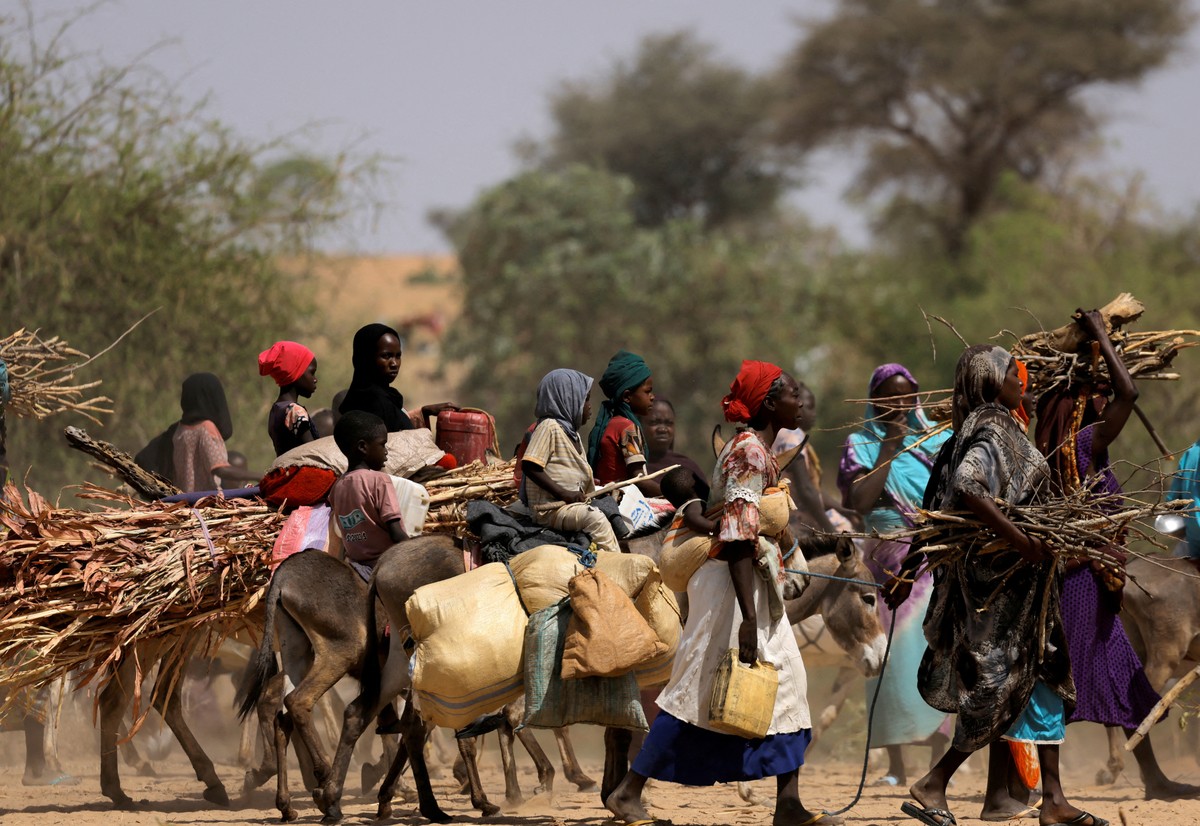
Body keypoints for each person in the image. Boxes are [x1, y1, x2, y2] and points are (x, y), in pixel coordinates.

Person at [607, 360, 838, 826]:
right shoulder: (750, 453)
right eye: (791, 392)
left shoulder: (759, 451)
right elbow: (735, 535)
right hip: (730, 584)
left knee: (789, 682)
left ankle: (788, 803)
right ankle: (628, 791)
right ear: (770, 404)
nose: (799, 399)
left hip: (747, 580)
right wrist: (748, 618)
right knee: (695, 684)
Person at [887, 344, 1098, 826]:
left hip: (1024, 589)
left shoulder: (980, 427)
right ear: (988, 380)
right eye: (1010, 371)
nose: (1019, 378)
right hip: (1000, 590)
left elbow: (932, 510)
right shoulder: (991, 427)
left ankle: (1054, 801)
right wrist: (1023, 542)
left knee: (1042, 675)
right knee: (998, 687)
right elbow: (965, 487)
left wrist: (910, 570)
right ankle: (934, 781)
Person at [1034, 309, 1200, 801]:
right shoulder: (1086, 441)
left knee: (1119, 680)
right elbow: (1131, 393)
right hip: (1086, 575)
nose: (1108, 403)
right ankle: (1028, 787)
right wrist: (1105, 338)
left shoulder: (1057, 447)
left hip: (1101, 572)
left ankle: (1151, 778)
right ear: (1082, 411)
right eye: (1097, 399)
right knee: (1065, 684)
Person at [837, 364, 951, 787]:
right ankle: (896, 765)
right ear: (874, 401)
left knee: (933, 651)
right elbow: (861, 500)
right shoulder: (860, 444)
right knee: (891, 657)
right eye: (889, 397)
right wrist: (889, 444)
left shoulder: (936, 440)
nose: (899, 404)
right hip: (883, 564)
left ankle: (940, 761)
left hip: (931, 558)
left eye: (906, 396)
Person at [521, 368, 620, 554]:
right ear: (567, 399)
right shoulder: (549, 427)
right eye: (586, 399)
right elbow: (530, 465)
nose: (590, 406)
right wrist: (564, 493)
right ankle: (616, 567)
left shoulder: (572, 434)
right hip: (550, 510)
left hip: (568, 505)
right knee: (595, 519)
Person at [326, 410, 408, 582]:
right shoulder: (379, 481)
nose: (386, 451)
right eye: (382, 444)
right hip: (387, 566)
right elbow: (395, 533)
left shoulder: (337, 487)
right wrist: (419, 552)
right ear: (363, 447)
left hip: (356, 568)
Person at [338, 323, 455, 432]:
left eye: (398, 356)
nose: (394, 363)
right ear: (365, 359)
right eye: (386, 356)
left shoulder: (380, 398)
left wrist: (424, 412)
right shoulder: (373, 403)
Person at [777, 382, 853, 537]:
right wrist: (831, 532)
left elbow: (814, 490)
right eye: (809, 407)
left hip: (794, 514)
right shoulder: (792, 436)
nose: (814, 413)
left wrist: (842, 509)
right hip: (794, 519)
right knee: (850, 539)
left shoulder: (790, 435)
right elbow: (806, 490)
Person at [171, 373, 260, 493]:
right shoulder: (206, 428)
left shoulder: (180, 430)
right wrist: (259, 476)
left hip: (184, 500)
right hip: (206, 500)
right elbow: (220, 469)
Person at [587, 349, 659, 494]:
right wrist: (674, 494)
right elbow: (639, 480)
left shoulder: (609, 424)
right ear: (627, 396)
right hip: (622, 501)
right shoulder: (628, 428)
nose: (652, 397)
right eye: (647, 391)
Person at [258, 340, 320, 456]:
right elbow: (313, 455)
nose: (315, 379)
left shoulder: (276, 409)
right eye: (312, 372)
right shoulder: (294, 410)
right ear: (296, 373)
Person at [644, 397, 708, 485]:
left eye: (668, 423)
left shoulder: (687, 467)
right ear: (639, 425)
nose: (663, 429)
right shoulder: (632, 468)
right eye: (655, 422)